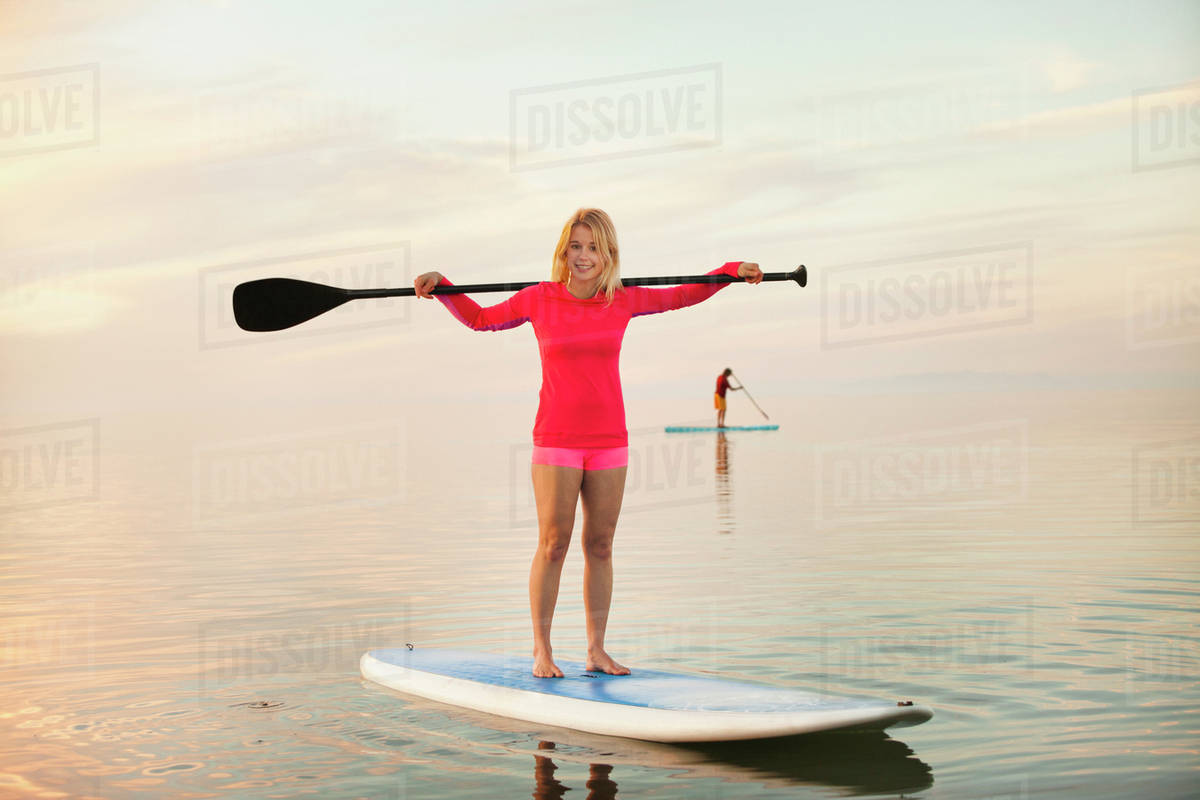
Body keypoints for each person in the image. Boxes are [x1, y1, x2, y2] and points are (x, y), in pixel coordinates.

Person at [413, 208, 762, 678]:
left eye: (593, 247)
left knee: (600, 545)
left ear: (608, 254)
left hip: (609, 440)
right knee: (553, 543)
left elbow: (681, 295)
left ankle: (596, 649)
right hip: (557, 438)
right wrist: (445, 287)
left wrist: (729, 273)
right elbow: (480, 320)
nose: (583, 256)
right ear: (563, 251)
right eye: (575, 246)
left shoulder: (621, 299)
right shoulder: (539, 299)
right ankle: (542, 650)